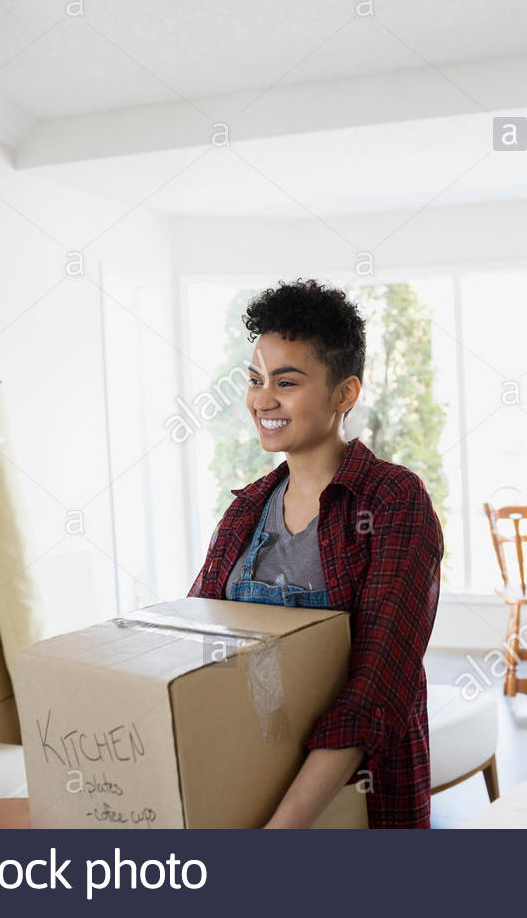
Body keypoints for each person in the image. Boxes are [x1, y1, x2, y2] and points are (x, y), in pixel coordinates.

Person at [188, 278, 444, 829]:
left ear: (345, 393)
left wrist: (281, 831)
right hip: (243, 786)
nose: (263, 400)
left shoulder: (394, 501)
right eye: (256, 380)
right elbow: (191, 648)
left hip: (356, 801)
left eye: (287, 382)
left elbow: (378, 688)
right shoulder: (246, 511)